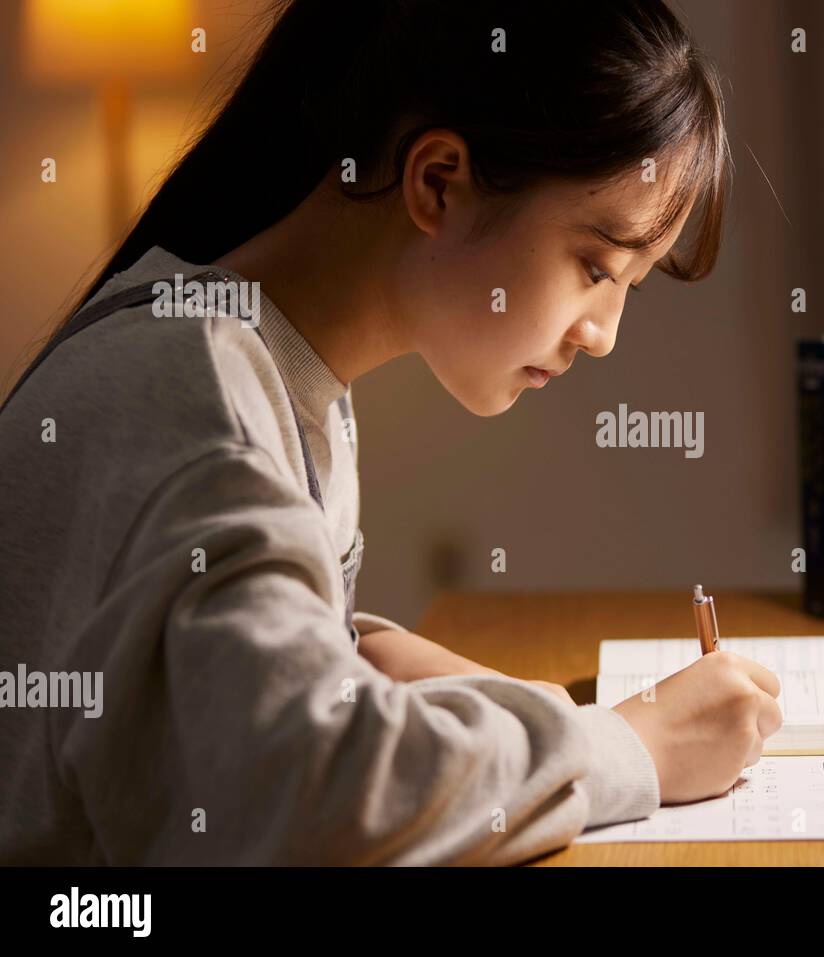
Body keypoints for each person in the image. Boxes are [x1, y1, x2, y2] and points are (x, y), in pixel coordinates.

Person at [0, 0, 783, 865]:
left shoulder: (277, 372)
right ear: (438, 180)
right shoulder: (196, 399)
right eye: (597, 266)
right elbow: (312, 795)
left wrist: (420, 669)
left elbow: (279, 645)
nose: (603, 332)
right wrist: (629, 749)